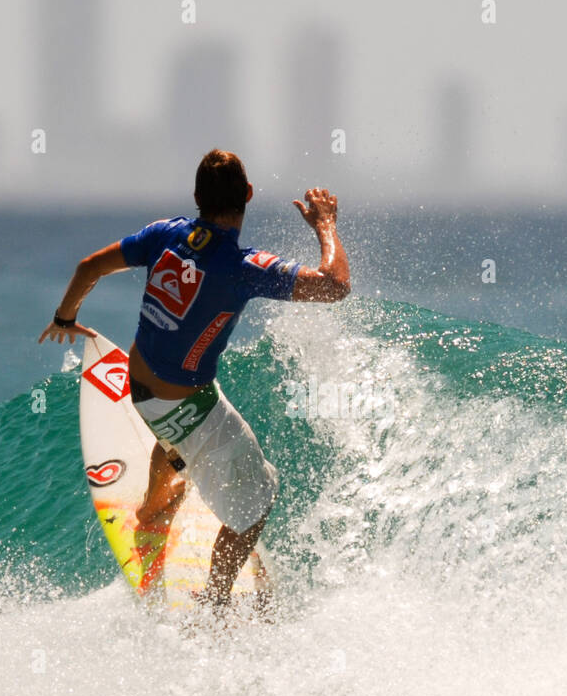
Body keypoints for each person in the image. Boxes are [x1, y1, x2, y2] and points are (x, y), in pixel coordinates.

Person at [39, 149, 351, 606]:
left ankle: (153, 506)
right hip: (184, 406)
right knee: (259, 500)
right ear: (247, 195)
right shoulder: (244, 267)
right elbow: (335, 285)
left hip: (138, 386)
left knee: (180, 434)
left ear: (197, 196)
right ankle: (217, 600)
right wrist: (325, 225)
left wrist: (65, 319)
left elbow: (89, 267)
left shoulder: (164, 234)